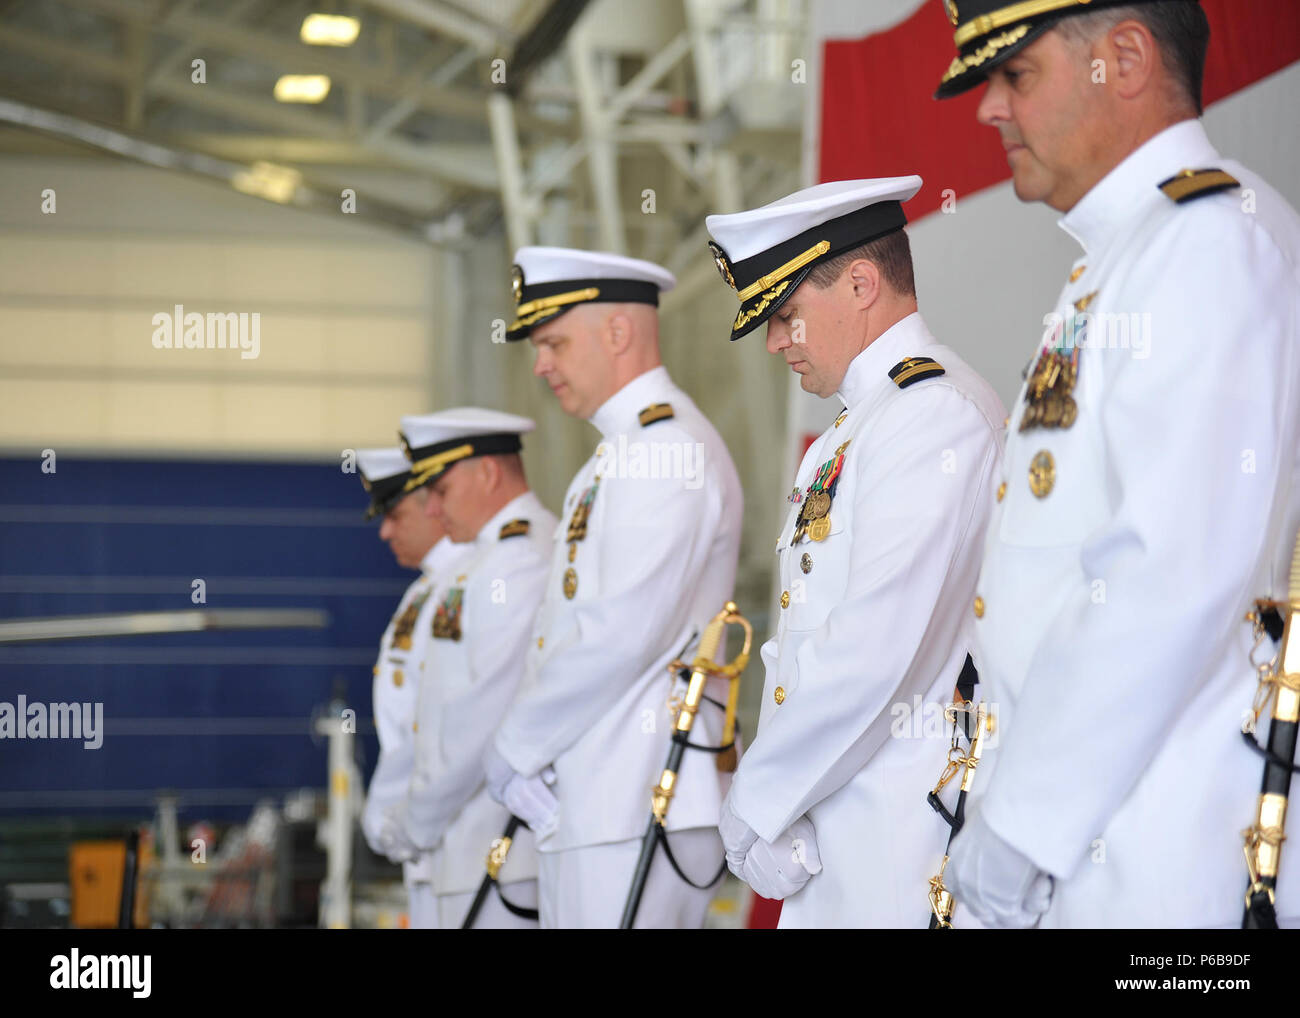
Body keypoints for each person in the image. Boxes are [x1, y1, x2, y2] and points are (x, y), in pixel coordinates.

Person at [934, 0, 1300, 927]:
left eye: (1016, 75)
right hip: (1106, 840)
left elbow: (1168, 566)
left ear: (1125, 57)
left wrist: (1022, 824)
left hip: (1166, 856)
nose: (990, 109)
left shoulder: (1204, 241)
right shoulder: (1134, 250)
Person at [704, 177, 1005, 926]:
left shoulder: (933, 414)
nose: (776, 342)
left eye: (786, 315)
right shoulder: (861, 425)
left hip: (900, 849)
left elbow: (872, 648)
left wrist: (758, 799)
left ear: (863, 283)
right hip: (836, 836)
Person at [484, 247, 744, 928]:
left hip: (638, 794)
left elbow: (620, 634)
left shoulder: (664, 449)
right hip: (604, 794)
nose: (540, 365)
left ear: (619, 333)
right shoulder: (625, 450)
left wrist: (515, 746)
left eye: (554, 342)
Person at [378, 408, 555, 928]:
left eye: (441, 489)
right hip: (465, 849)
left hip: (498, 846)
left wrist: (415, 821)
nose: (432, 508)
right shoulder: (488, 558)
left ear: (488, 473)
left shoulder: (520, 557)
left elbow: (480, 714)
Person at [355, 445, 469, 929]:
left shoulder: (465, 583)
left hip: (462, 840)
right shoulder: (427, 589)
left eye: (395, 514)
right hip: (427, 844)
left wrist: (387, 817)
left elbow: (448, 721)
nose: (384, 531)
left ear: (433, 503)